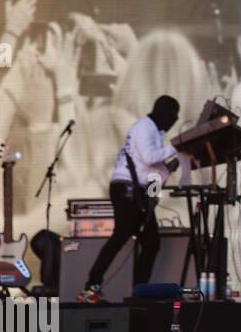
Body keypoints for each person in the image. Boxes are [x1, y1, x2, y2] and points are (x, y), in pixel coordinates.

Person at [76, 96, 183, 302]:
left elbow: (152, 172)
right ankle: (91, 286)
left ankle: (139, 292)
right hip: (125, 189)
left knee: (151, 243)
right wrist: (177, 145)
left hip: (139, 193)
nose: (175, 120)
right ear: (165, 112)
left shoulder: (156, 133)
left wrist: (166, 173)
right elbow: (150, 157)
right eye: (174, 115)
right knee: (121, 236)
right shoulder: (144, 126)